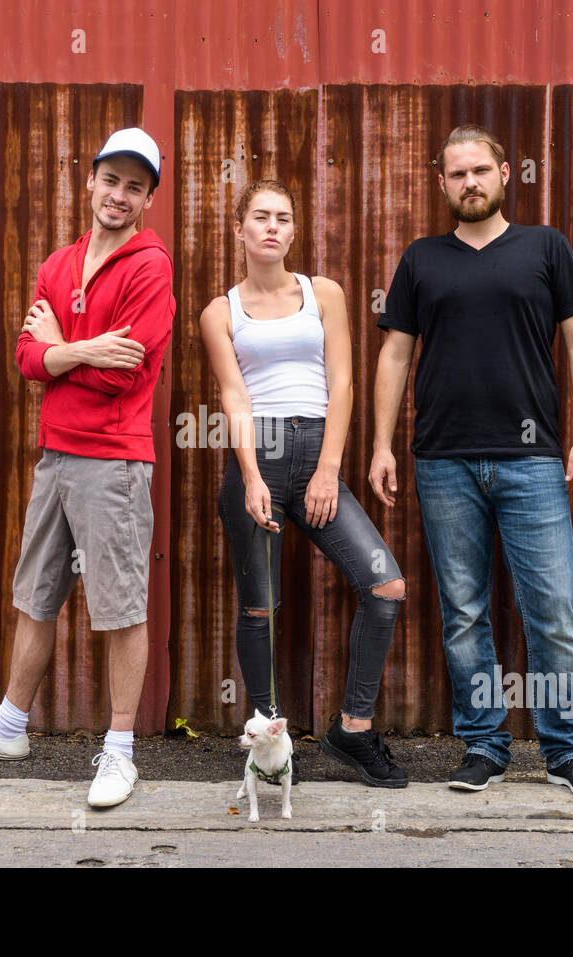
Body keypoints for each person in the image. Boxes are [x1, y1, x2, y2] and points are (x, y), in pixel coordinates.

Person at [0, 128, 175, 809]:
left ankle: (120, 752)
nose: (119, 195)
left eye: (135, 186)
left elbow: (124, 379)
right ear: (89, 180)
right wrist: (79, 350)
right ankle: (9, 726)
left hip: (115, 462)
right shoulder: (57, 264)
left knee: (120, 606)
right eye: (111, 180)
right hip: (58, 454)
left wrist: (63, 347)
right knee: (34, 592)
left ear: (147, 198)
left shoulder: (151, 269)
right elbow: (25, 358)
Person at [370, 124, 573, 798]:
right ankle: (484, 742)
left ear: (506, 174)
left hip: (532, 459)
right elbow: (395, 352)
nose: (470, 183)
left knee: (551, 610)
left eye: (481, 170)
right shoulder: (422, 259)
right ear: (441, 182)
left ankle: (566, 749)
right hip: (443, 460)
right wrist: (380, 443)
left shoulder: (544, 248)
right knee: (465, 612)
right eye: (457, 174)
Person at [200, 180, 409, 789]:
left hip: (318, 454)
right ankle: (268, 739)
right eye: (259, 217)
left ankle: (354, 728)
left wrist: (328, 470)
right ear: (239, 230)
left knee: (386, 585)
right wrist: (247, 475)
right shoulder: (221, 311)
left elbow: (341, 382)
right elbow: (234, 396)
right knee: (260, 606)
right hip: (255, 457)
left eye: (283, 218)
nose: (272, 227)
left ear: (294, 231)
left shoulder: (325, 294)